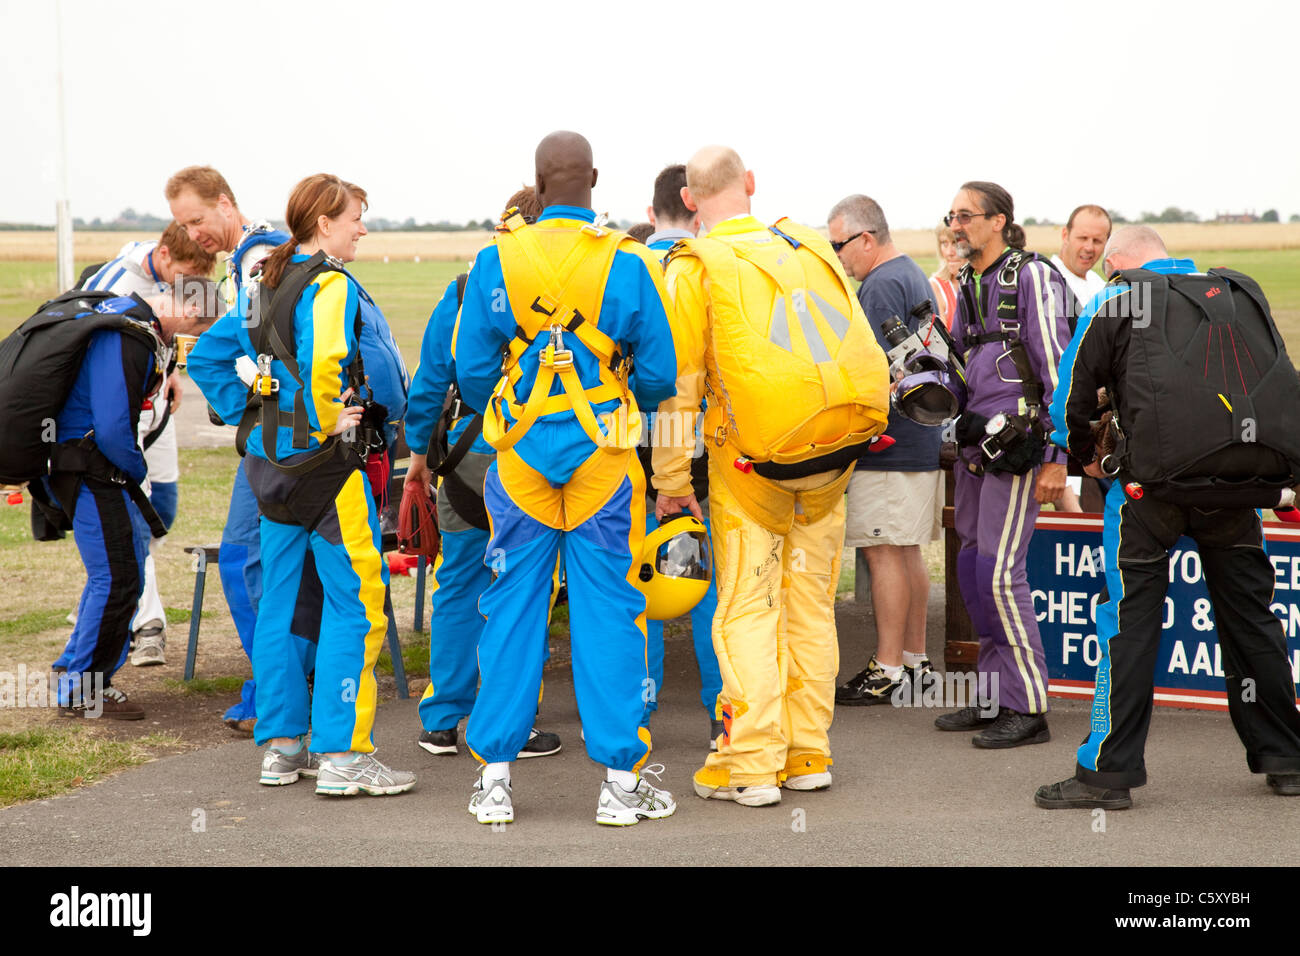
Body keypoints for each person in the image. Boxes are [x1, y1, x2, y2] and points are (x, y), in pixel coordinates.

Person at [451, 131, 679, 825]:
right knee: (610, 609)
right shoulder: (629, 262)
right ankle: (620, 784)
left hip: (518, 460)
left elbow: (468, 372)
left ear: (539, 183)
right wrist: (609, 386)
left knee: (511, 607)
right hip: (602, 461)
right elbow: (663, 375)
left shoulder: (496, 261)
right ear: (595, 179)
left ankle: (493, 778)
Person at [655, 146, 889, 807]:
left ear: (691, 201)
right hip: (833, 459)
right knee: (810, 607)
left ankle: (751, 764)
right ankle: (808, 752)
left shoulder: (694, 267)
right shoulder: (809, 247)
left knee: (745, 611)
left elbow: (679, 388)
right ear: (751, 184)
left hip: (750, 467)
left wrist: (673, 479)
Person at [1035, 224, 1300, 808]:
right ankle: (1285, 758)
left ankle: (1108, 774)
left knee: (1127, 626)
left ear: (1118, 263)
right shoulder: (1236, 292)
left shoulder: (1116, 296)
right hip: (1238, 491)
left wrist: (1087, 456)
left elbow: (1069, 401)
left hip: (1146, 494)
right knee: (1251, 621)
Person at [187, 173, 414, 796]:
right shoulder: (331, 283)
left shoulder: (263, 282)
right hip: (328, 471)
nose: (362, 228)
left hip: (268, 470)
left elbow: (206, 358)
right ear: (324, 224)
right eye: (356, 218)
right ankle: (343, 755)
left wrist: (252, 409)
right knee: (357, 603)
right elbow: (325, 367)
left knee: (281, 606)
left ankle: (283, 748)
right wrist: (323, 420)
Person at [404, 186, 562, 761]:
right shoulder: (573, 289)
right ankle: (509, 720)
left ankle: (444, 717)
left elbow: (430, 379)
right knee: (523, 587)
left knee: (458, 583)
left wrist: (419, 460)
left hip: (466, 459)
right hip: (537, 458)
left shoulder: (466, 287)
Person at [937, 181, 1070, 747]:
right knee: (972, 570)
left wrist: (1058, 456)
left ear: (998, 221)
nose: (956, 226)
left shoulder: (1031, 276)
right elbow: (970, 363)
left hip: (1022, 449)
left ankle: (1028, 706)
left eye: (965, 216)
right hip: (975, 449)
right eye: (951, 216)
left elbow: (1061, 370)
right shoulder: (967, 281)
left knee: (998, 571)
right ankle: (994, 695)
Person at [167, 166, 290, 734]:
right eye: (182, 227)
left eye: (196, 219)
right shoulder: (260, 255)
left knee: (243, 562)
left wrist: (246, 414)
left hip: (279, 439)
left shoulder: (256, 259)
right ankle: (279, 687)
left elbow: (266, 345)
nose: (193, 235)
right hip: (293, 432)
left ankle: (275, 692)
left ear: (225, 203)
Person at [74, 222, 216, 666]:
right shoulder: (117, 285)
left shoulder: (171, 280)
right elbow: (104, 360)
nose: (191, 284)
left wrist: (169, 369)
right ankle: (144, 622)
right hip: (119, 419)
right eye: (190, 272)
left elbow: (176, 326)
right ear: (167, 257)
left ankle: (107, 601)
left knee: (161, 511)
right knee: (134, 521)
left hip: (154, 412)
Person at [45, 290, 190, 718]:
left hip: (80, 465)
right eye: (199, 322)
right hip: (90, 470)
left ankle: (73, 669)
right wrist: (135, 468)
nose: (198, 331)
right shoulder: (130, 335)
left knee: (112, 573)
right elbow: (110, 429)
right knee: (118, 578)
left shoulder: (124, 319)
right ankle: (82, 690)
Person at [827, 194, 940, 705]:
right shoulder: (913, 274)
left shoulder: (877, 286)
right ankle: (914, 662)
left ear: (866, 239)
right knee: (906, 550)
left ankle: (888, 669)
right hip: (922, 433)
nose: (838, 257)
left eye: (839, 245)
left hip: (889, 441)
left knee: (883, 552)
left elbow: (866, 374)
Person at [640, 163, 723, 747]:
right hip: (702, 456)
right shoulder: (715, 270)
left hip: (630, 451)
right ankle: (726, 713)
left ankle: (634, 715)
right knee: (709, 590)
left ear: (651, 213)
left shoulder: (622, 269)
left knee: (635, 587)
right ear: (698, 209)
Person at [1051, 204, 1111, 309]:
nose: (1089, 248)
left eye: (1097, 241)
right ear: (1065, 235)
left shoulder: (1100, 285)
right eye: (1083, 238)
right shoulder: (1045, 281)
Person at [929, 221, 963, 330]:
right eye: (944, 243)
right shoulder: (936, 287)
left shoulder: (988, 282)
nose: (949, 252)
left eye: (956, 243)